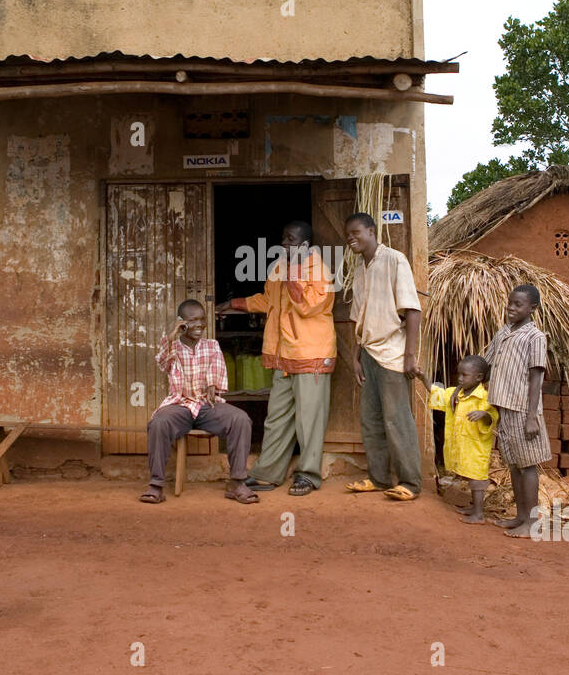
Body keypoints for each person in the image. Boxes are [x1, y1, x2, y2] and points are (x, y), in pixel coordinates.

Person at [215, 221, 335, 497]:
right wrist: (234, 303)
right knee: (277, 417)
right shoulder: (280, 266)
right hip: (284, 356)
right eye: (284, 239)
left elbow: (307, 306)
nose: (285, 244)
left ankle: (308, 475)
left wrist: (294, 269)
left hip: (311, 354)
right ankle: (267, 472)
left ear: (305, 245)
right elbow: (269, 300)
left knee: (309, 420)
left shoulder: (319, 269)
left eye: (291, 240)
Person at [141, 299, 258, 505]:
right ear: (182, 323)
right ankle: (156, 485)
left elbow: (217, 369)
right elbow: (162, 362)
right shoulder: (173, 347)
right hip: (180, 405)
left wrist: (213, 384)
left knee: (240, 419)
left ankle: (237, 483)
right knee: (159, 423)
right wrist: (172, 334)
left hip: (207, 406)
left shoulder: (212, 345)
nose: (199, 325)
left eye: (202, 320)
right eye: (193, 320)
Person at [341, 212, 424, 501]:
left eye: (356, 233)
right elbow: (357, 318)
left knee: (397, 420)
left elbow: (412, 310)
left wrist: (410, 355)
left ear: (372, 231)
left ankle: (410, 483)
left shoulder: (394, 260)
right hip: (368, 355)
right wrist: (355, 356)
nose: (351, 238)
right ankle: (378, 478)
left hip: (392, 354)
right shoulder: (360, 269)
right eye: (348, 235)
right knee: (371, 421)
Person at [482, 284, 552, 537]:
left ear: (532, 308)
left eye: (518, 304)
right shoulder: (503, 333)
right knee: (513, 464)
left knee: (527, 466)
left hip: (523, 410)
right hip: (504, 408)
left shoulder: (536, 338)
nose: (511, 308)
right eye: (510, 303)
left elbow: (536, 378)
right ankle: (521, 516)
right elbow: (487, 363)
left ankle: (532, 523)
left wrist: (532, 417)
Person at [414, 356, 498, 523]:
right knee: (470, 476)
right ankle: (474, 508)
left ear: (479, 377)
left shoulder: (484, 397)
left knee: (477, 480)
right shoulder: (456, 394)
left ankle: (479, 514)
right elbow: (437, 393)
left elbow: (493, 417)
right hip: (463, 445)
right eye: (459, 374)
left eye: (464, 375)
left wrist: (484, 414)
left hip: (476, 447)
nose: (460, 378)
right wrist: (423, 377)